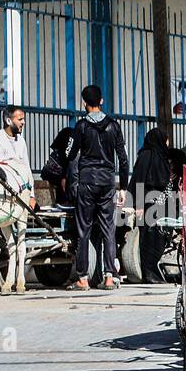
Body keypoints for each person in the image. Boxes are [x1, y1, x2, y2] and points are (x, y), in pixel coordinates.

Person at [64, 85, 129, 291]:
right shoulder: (114, 125)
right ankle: (110, 277)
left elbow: (70, 153)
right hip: (108, 182)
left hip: (87, 182)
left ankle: (83, 278)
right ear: (101, 101)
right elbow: (124, 159)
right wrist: (123, 187)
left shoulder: (81, 126)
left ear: (85, 103)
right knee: (108, 229)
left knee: (84, 229)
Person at [129, 128, 173, 284]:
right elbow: (139, 179)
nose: (167, 142)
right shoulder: (146, 156)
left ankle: (155, 272)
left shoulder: (161, 156)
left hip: (160, 204)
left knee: (159, 238)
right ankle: (149, 274)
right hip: (147, 204)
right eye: (166, 139)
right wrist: (139, 204)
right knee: (148, 239)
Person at [41, 127, 78, 207]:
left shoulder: (69, 134)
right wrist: (64, 177)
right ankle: (65, 202)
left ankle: (64, 202)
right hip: (54, 172)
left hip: (50, 171)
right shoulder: (70, 137)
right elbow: (66, 162)